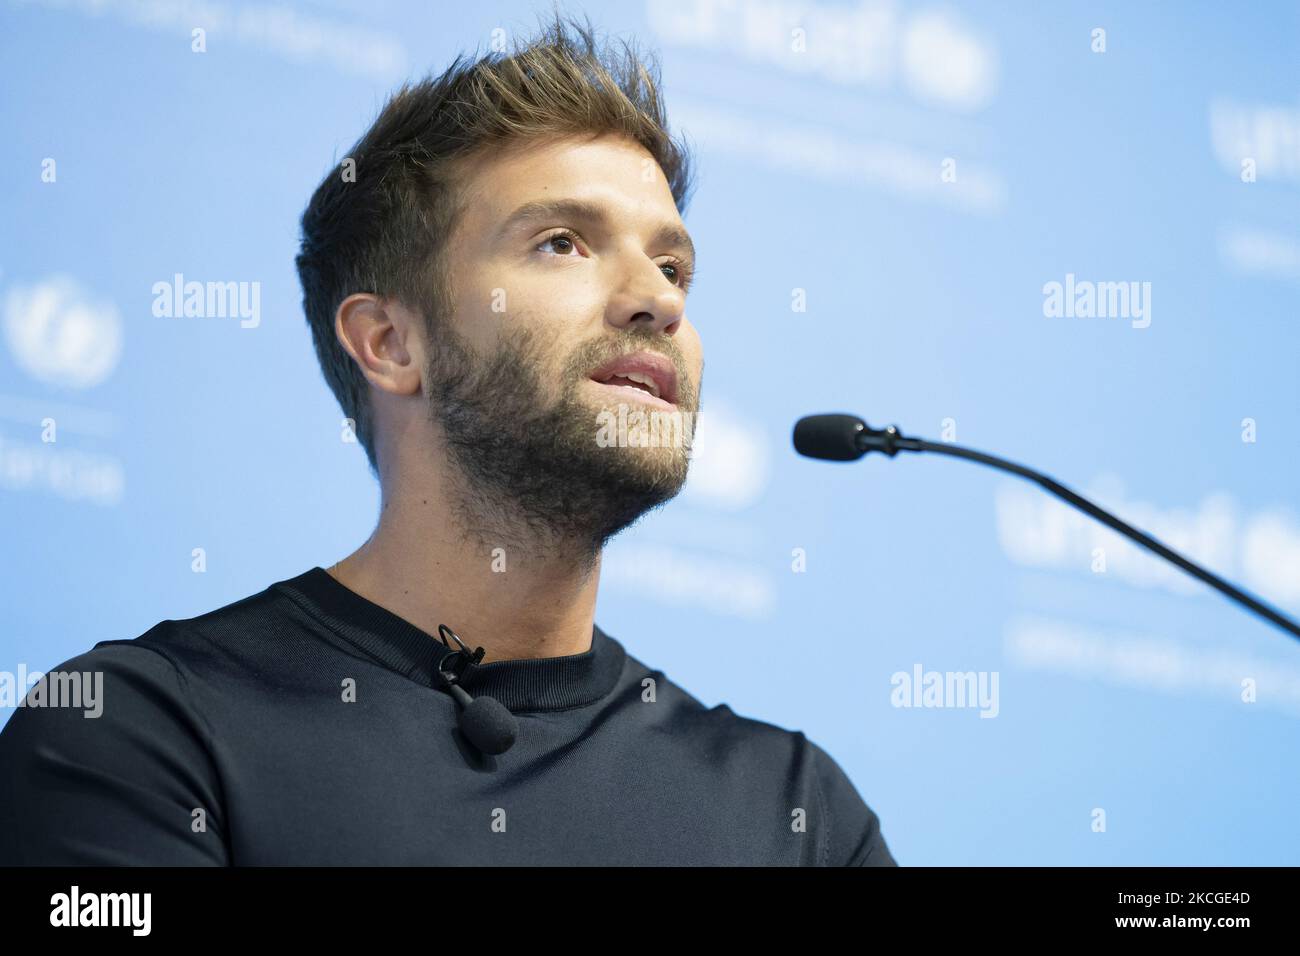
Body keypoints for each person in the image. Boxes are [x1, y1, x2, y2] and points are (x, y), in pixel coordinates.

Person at [0, 12, 896, 866]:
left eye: (673, 266)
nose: (659, 299)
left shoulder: (796, 812)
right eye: (561, 243)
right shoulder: (139, 734)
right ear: (391, 343)